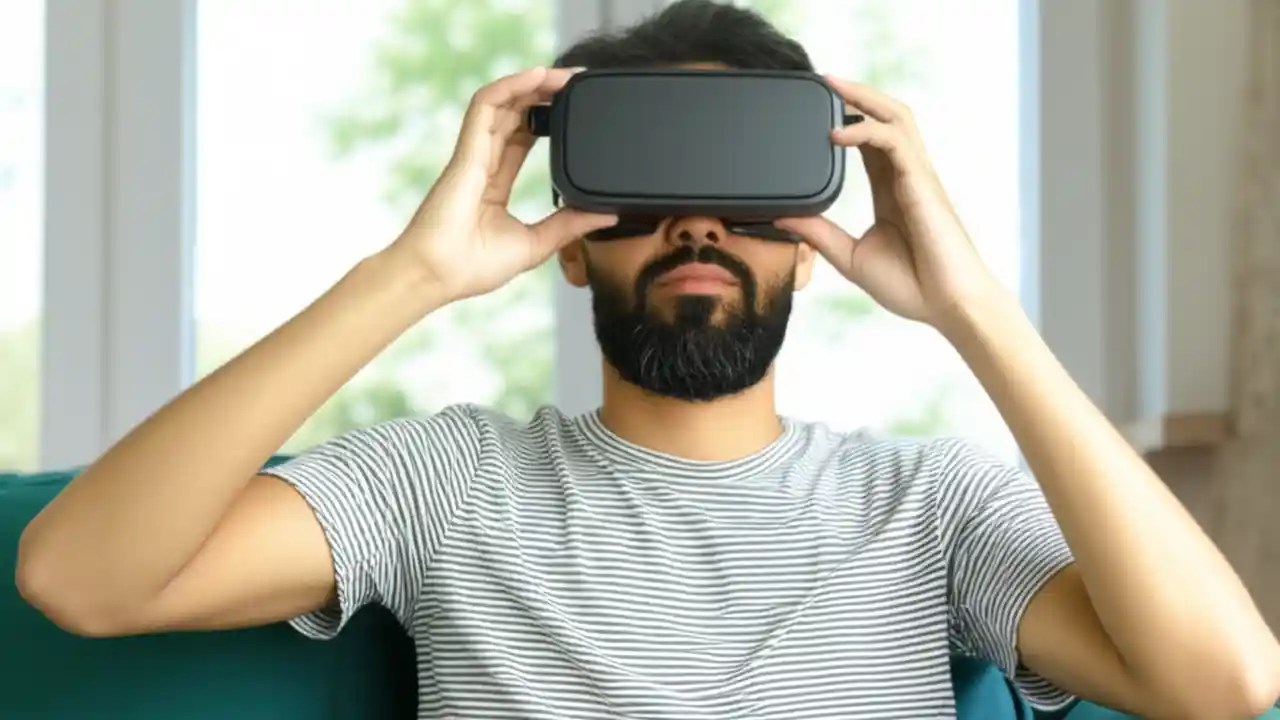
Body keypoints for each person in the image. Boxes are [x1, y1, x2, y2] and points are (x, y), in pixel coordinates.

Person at [15, 1, 1280, 718]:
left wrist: (971, 310)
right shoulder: (446, 481)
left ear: (806, 248)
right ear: (573, 248)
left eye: (740, 198)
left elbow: (1225, 687)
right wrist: (411, 274)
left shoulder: (929, 506)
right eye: (650, 191)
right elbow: (83, 580)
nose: (696, 224)